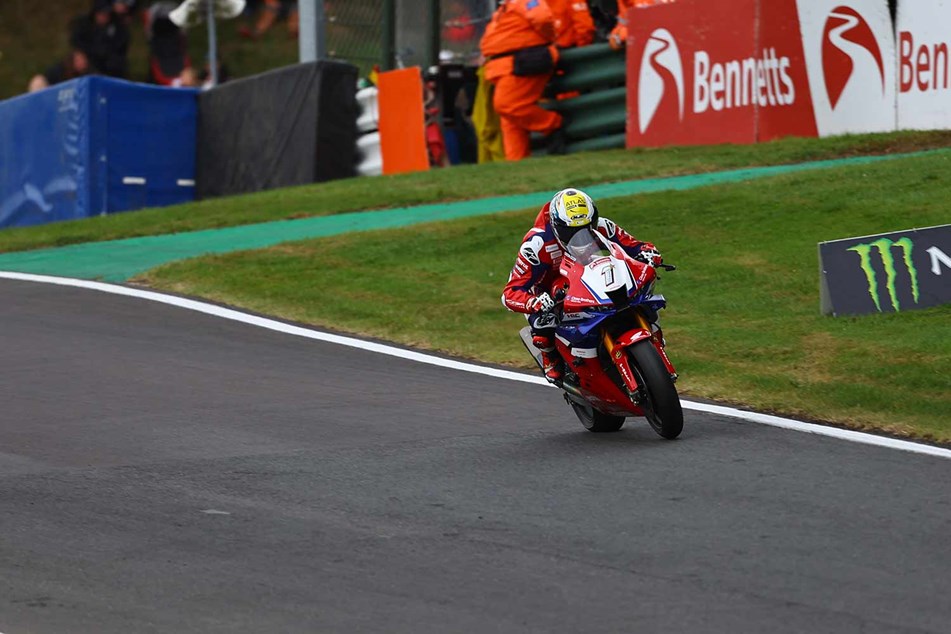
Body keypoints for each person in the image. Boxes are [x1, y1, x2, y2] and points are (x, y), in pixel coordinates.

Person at [501, 188, 663, 382]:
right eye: (571, 231)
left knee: (640, 296)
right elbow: (510, 292)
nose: (580, 236)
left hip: (591, 275)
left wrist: (648, 252)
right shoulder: (536, 244)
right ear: (556, 225)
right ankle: (550, 356)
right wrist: (533, 302)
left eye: (586, 228)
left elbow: (634, 245)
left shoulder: (603, 226)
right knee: (544, 324)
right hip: (548, 291)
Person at [479, 0, 564, 161]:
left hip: (524, 59)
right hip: (505, 65)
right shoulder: (505, 8)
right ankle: (516, 163)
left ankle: (552, 124)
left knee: (506, 105)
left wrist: (548, 40)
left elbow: (542, 19)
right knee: (510, 121)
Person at [70, 0, 131, 78]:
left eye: (107, 14)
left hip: (109, 67)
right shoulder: (84, 24)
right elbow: (76, 41)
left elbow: (120, 51)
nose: (104, 16)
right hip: (88, 61)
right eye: (101, 13)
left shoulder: (118, 28)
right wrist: (80, 54)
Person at [28, 50, 92, 92]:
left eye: (84, 60)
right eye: (78, 60)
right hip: (52, 96)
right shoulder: (60, 70)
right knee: (38, 81)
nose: (82, 62)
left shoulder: (87, 77)